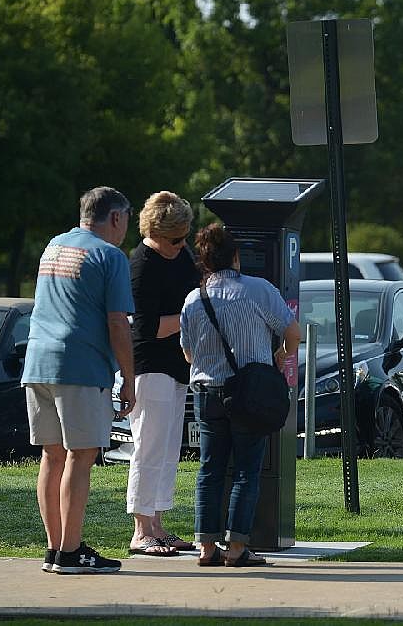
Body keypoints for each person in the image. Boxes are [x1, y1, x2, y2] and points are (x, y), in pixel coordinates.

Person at [22, 186, 136, 574]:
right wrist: (129, 380)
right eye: (127, 220)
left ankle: (55, 550)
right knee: (81, 455)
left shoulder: (53, 245)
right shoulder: (110, 255)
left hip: (38, 361)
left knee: (51, 455)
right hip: (81, 366)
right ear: (116, 217)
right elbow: (118, 322)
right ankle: (71, 553)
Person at [180, 223, 300, 567]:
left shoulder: (194, 299)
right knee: (247, 469)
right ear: (235, 256)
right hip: (248, 391)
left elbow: (188, 354)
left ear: (204, 261)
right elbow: (293, 332)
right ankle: (236, 548)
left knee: (210, 469)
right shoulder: (259, 290)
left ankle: (205, 546)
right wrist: (281, 355)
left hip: (206, 391)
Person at [125, 191, 202, 557]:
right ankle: (141, 529)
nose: (181, 244)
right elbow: (146, 328)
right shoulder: (142, 264)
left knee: (170, 448)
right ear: (155, 232)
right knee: (149, 446)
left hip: (177, 365)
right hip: (150, 366)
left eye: (184, 237)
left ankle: (158, 523)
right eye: (175, 239)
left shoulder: (181, 256)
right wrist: (190, 317)